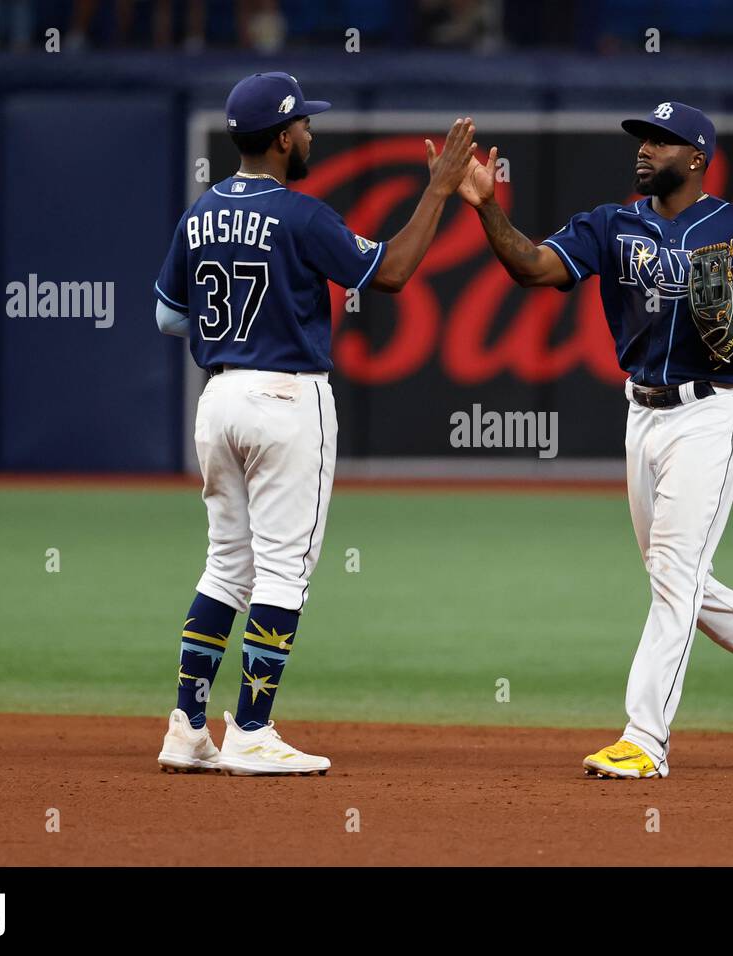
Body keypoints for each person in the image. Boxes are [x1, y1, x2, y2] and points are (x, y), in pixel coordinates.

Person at [458, 102, 733, 778]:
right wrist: (486, 208)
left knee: (672, 577)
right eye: (642, 140)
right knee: (678, 577)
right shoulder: (612, 224)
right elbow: (534, 268)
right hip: (643, 414)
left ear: (696, 158)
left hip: (710, 413)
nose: (645, 151)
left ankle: (644, 739)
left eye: (661, 142)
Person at [153, 72, 476, 775]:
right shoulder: (300, 215)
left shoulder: (199, 212)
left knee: (224, 568)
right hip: (285, 400)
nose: (311, 133)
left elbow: (167, 315)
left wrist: (231, 330)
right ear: (279, 138)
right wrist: (440, 190)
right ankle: (252, 730)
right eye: (303, 125)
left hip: (219, 399)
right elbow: (388, 274)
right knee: (282, 573)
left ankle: (186, 725)